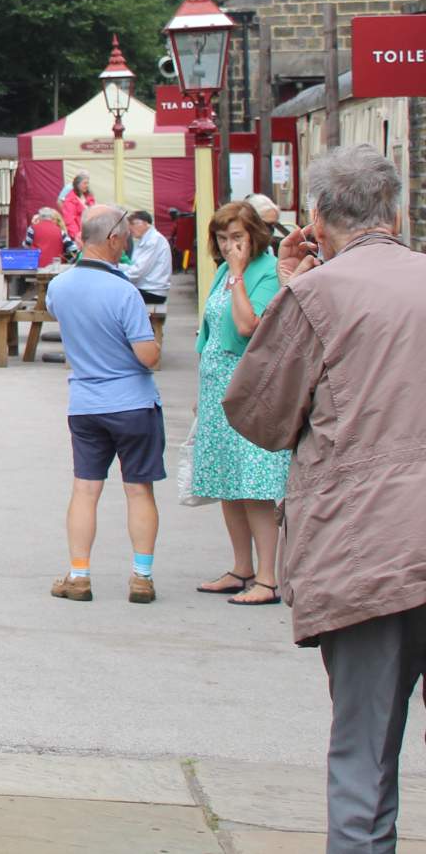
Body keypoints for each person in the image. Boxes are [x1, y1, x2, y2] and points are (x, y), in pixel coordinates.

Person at [222, 145, 426, 850]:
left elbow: (258, 414)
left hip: (367, 546)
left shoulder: (317, 295)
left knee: (364, 757)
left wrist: (289, 287)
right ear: (396, 212)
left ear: (315, 218)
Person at [43, 204, 164, 604]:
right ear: (112, 240)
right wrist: (154, 344)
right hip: (132, 403)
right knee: (138, 491)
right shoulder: (124, 292)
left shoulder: (59, 287)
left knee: (85, 490)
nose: (127, 244)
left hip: (85, 403)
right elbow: (147, 355)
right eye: (125, 238)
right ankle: (141, 577)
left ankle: (79, 575)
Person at [188, 201, 286, 606]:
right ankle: (240, 567)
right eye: (223, 239)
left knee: (255, 485)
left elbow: (249, 327)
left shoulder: (266, 271)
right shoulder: (223, 271)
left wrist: (242, 276)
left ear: (255, 237)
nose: (229, 248)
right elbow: (209, 332)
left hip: (250, 389)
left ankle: (267, 578)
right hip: (217, 390)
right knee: (228, 481)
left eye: (237, 238)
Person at [121, 210, 172, 305]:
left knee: (114, 296)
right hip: (147, 289)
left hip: (152, 291)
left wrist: (118, 275)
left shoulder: (153, 240)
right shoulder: (147, 239)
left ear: (144, 223)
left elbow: (138, 271)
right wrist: (117, 267)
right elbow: (134, 267)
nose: (130, 228)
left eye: (132, 224)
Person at [60, 172, 96, 243]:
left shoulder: (89, 197)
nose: (87, 185)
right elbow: (69, 221)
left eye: (87, 183)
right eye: (84, 183)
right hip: (79, 235)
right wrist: (77, 236)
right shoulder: (70, 200)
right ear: (77, 184)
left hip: (91, 232)